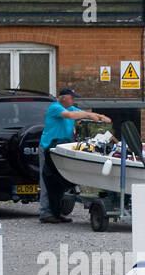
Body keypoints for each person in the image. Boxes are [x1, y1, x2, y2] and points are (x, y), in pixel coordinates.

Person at [38, 88, 110, 224]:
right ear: (64, 97)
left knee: (59, 181)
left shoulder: (71, 108)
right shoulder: (55, 107)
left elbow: (84, 114)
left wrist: (100, 116)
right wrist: (89, 116)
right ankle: (45, 213)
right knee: (47, 180)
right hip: (48, 147)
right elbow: (71, 116)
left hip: (61, 149)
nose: (73, 100)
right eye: (72, 97)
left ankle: (56, 212)